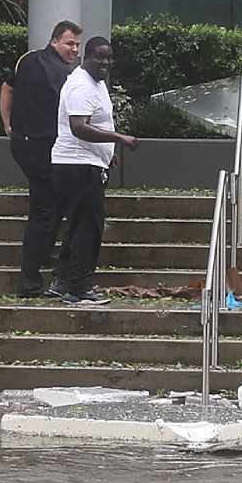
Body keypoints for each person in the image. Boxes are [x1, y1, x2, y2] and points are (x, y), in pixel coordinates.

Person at [46, 36, 138, 306]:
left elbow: (97, 122)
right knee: (88, 228)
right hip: (77, 166)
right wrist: (118, 138)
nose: (105, 63)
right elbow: (79, 127)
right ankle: (79, 289)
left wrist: (107, 153)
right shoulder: (81, 85)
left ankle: (64, 281)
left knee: (79, 226)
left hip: (86, 163)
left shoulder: (95, 83)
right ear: (86, 57)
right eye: (100, 57)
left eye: (109, 58)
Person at [0, 20, 81, 297]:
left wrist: (7, 124)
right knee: (44, 211)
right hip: (41, 148)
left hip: (28, 144)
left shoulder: (27, 60)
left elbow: (7, 87)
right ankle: (30, 280)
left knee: (51, 206)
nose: (74, 49)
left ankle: (42, 256)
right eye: (70, 43)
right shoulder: (64, 73)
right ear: (55, 41)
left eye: (77, 45)